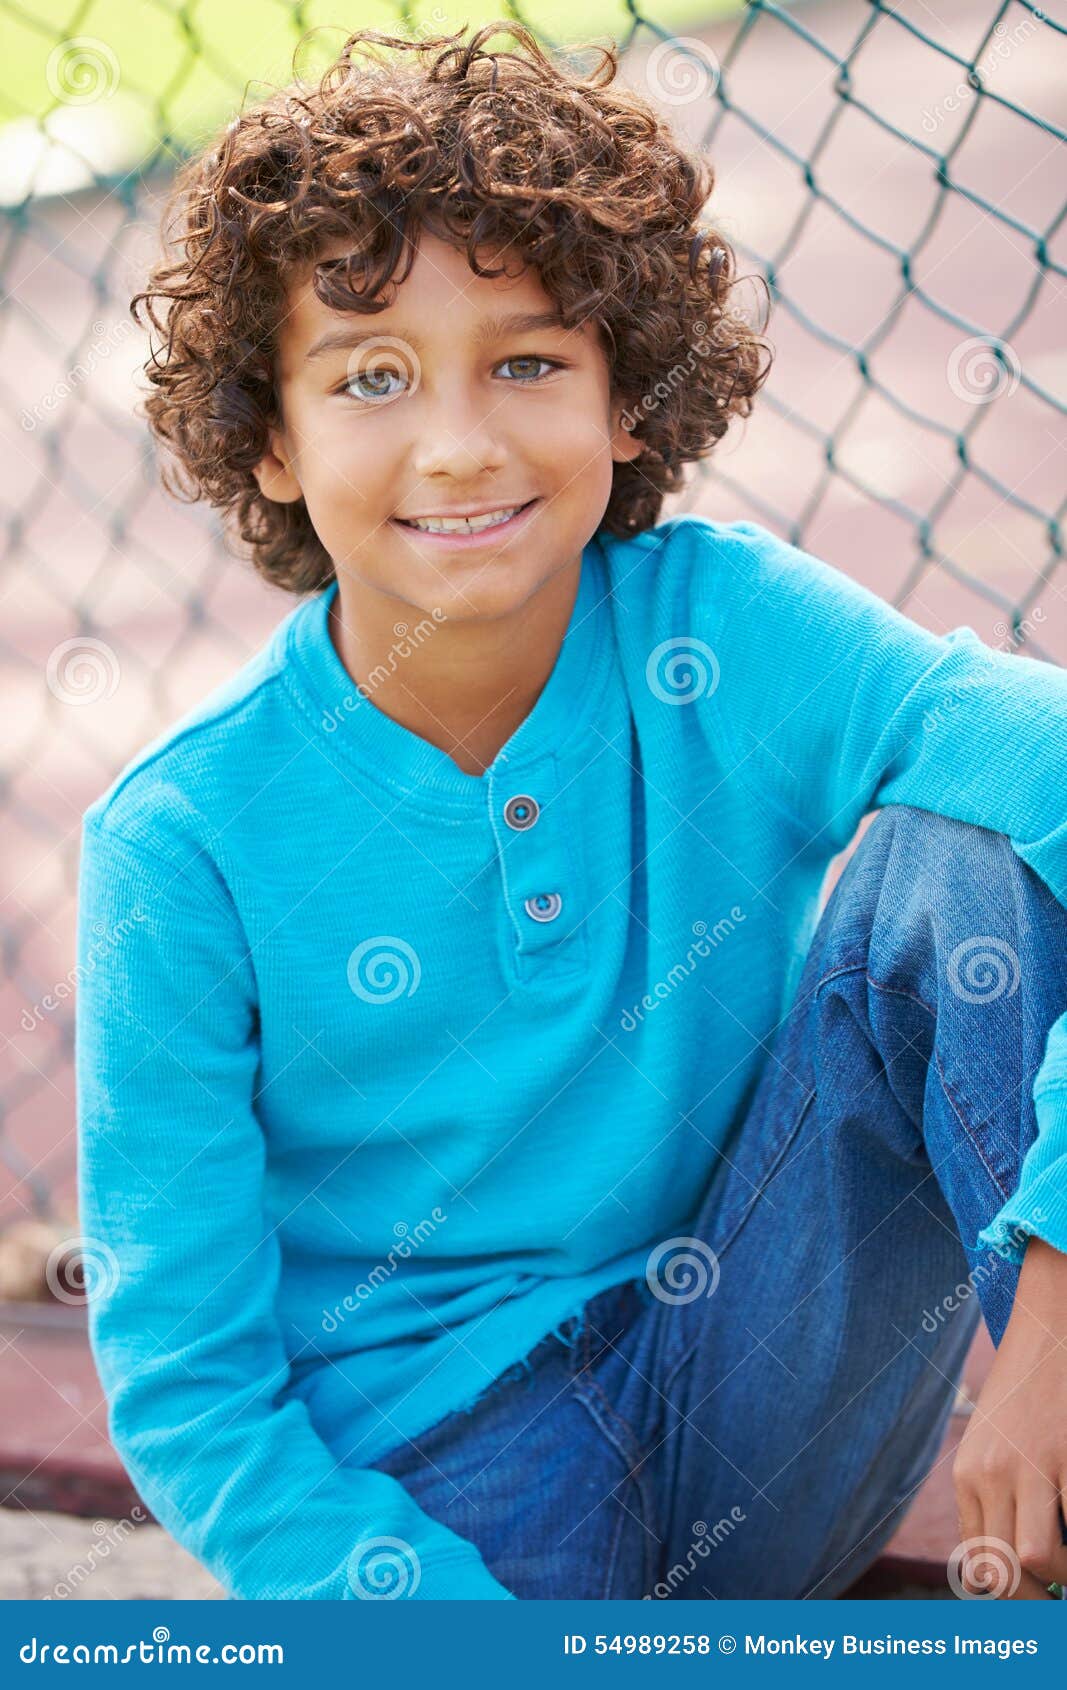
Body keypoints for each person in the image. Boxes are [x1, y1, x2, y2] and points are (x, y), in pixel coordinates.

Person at [75, 21, 1067, 1602]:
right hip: (451, 1491)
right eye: (371, 376)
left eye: (526, 361)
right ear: (271, 434)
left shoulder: (725, 635)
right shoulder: (180, 843)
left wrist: (1056, 1286)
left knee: (959, 855)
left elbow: (1052, 774)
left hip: (763, 1376)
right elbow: (192, 1385)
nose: (461, 441)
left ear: (624, 396)